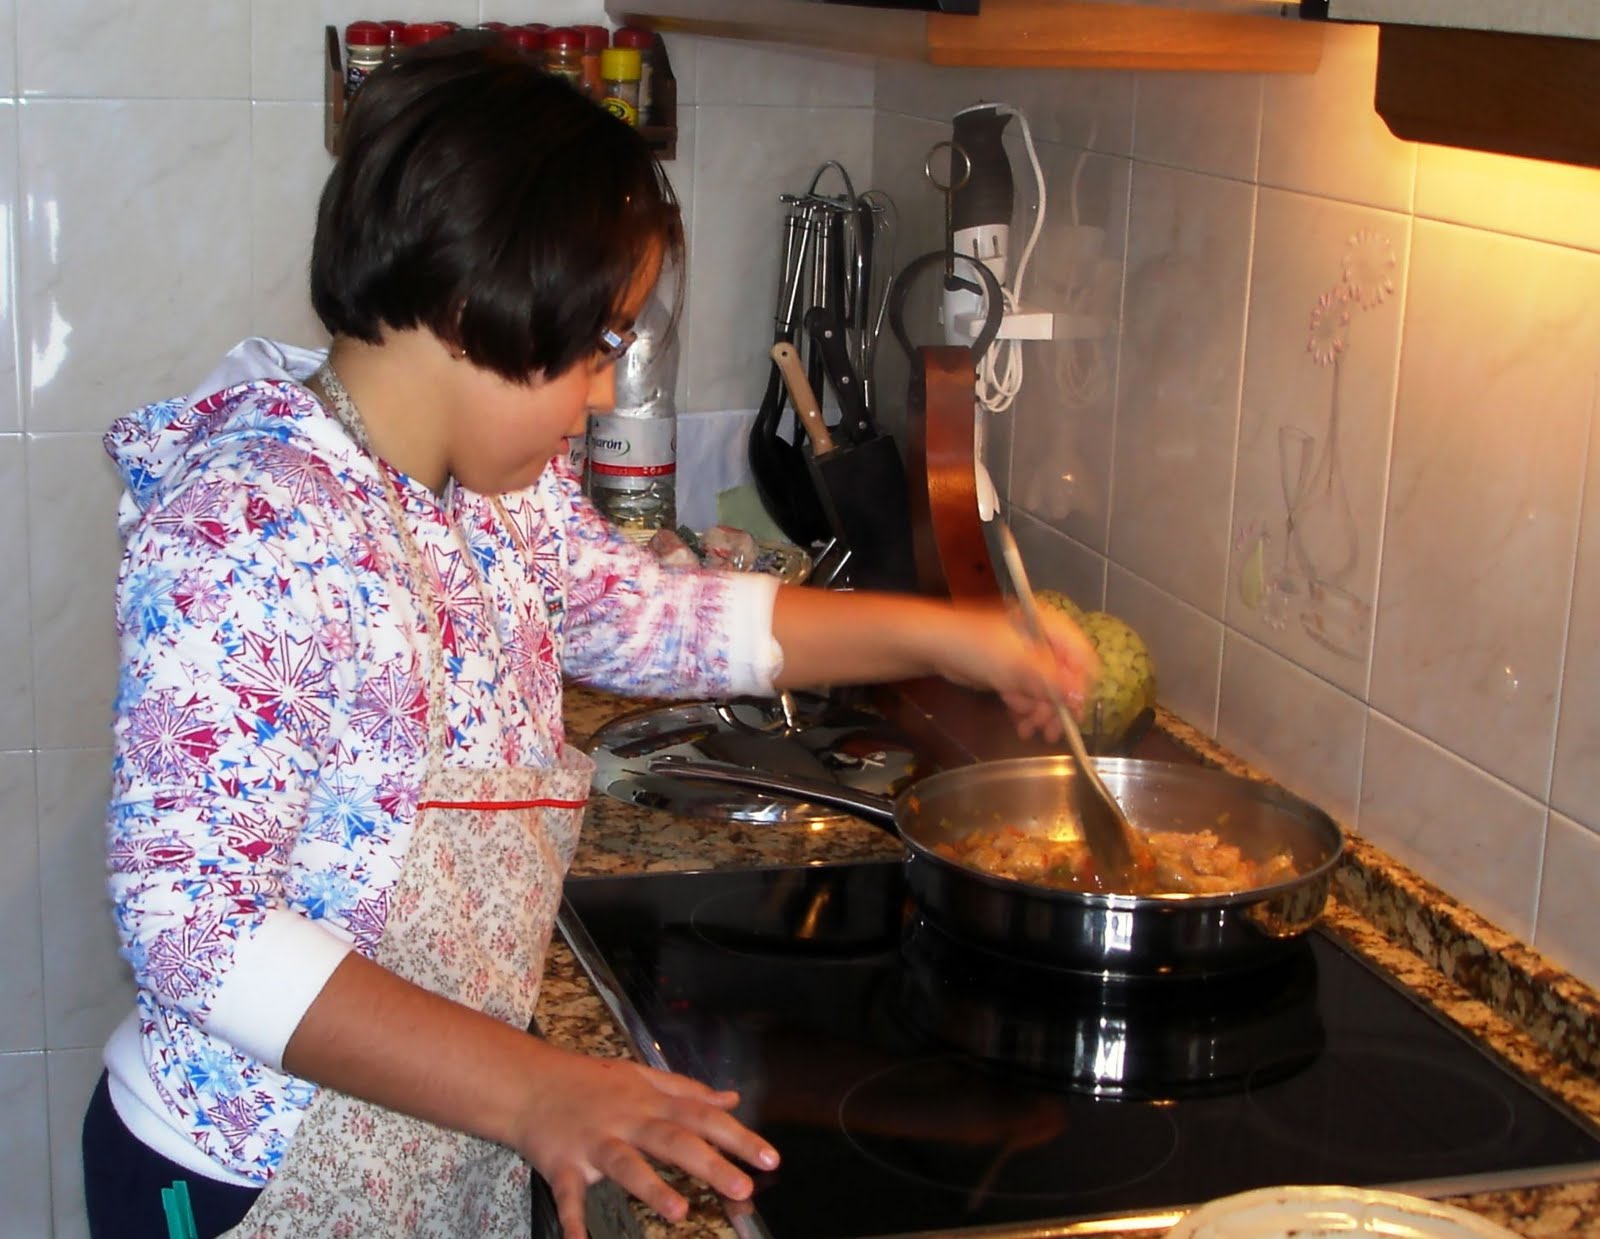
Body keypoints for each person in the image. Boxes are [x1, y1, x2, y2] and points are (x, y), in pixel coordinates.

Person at [81, 34, 1097, 1239]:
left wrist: (945, 638)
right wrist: (537, 1087)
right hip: (242, 1167)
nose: (608, 393)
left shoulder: (489, 491)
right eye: (599, 344)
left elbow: (644, 614)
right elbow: (196, 925)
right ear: (475, 308)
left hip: (425, 1129)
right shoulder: (250, 528)